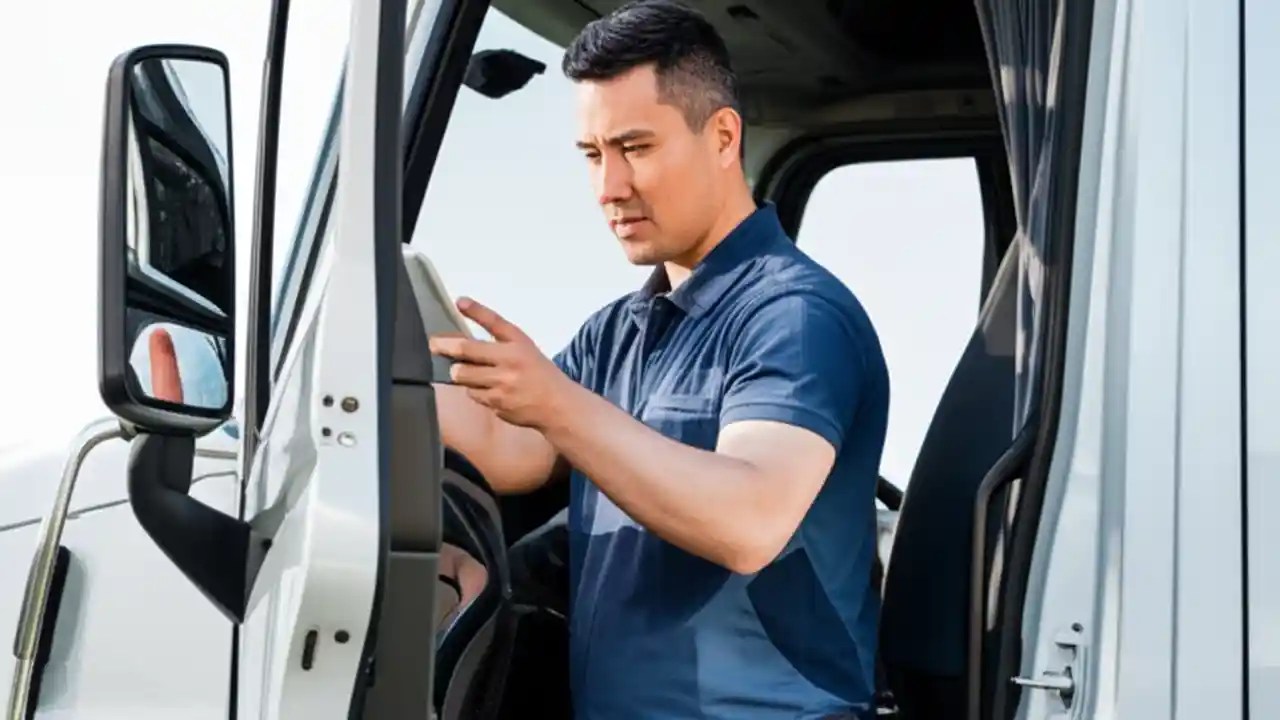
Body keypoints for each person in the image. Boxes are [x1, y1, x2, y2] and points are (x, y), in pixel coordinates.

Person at [430, 1, 889, 718]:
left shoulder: (796, 317)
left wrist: (556, 401)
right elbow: (510, 442)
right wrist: (357, 386)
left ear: (724, 137)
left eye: (636, 148)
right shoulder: (619, 331)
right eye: (592, 155)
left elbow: (749, 520)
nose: (609, 188)